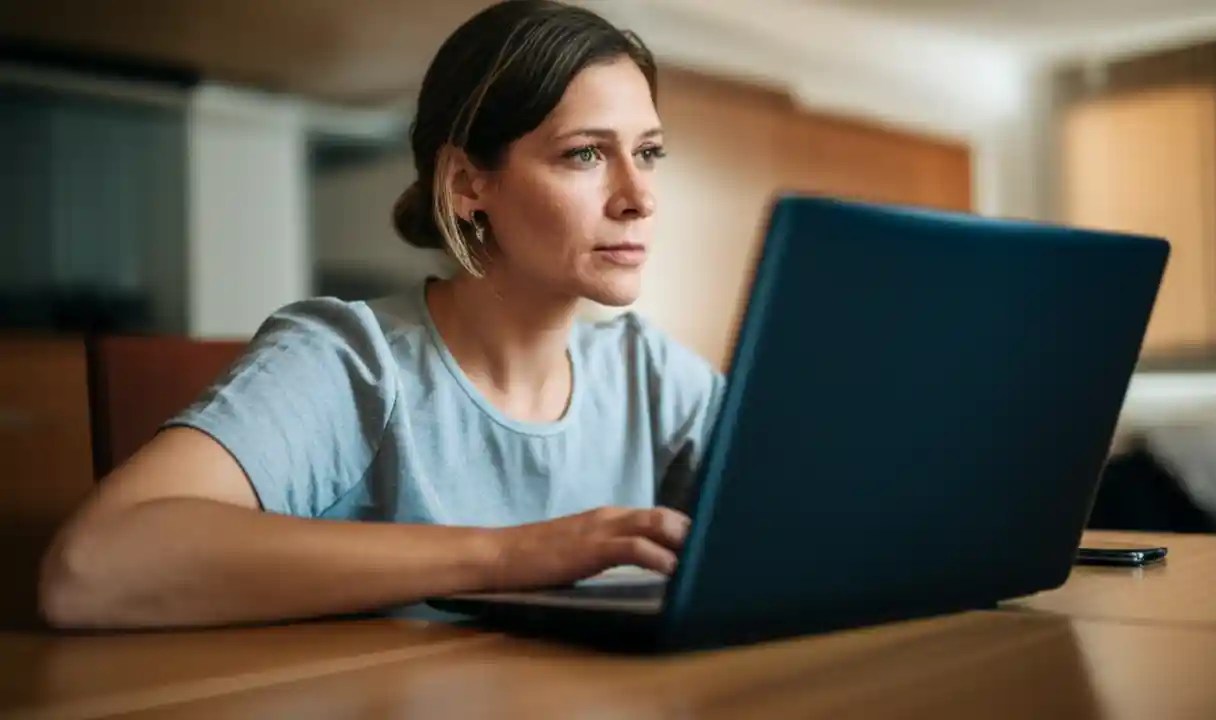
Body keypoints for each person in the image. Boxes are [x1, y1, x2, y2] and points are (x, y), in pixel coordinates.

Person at [39, 0, 723, 629]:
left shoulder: (650, 375)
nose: (639, 196)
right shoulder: (346, 362)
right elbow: (90, 567)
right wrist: (511, 555)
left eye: (649, 153)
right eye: (585, 154)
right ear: (467, 185)